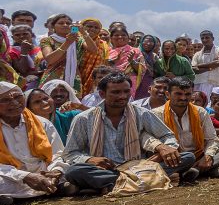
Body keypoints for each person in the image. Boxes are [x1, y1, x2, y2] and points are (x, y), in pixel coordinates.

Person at [62, 72, 194, 192]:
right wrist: (90, 159)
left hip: (140, 165)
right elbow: (70, 153)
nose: (122, 96)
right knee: (74, 172)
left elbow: (167, 135)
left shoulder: (141, 113)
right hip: (106, 170)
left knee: (188, 157)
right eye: (116, 92)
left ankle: (113, 184)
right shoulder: (84, 119)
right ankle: (145, 180)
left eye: (126, 91)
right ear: (102, 94)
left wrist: (164, 150)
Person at [154, 78, 219, 178]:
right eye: (178, 94)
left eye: (187, 94)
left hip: (200, 154)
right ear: (168, 94)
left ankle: (196, 169)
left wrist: (208, 156)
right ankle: (205, 170)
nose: (183, 98)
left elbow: (212, 139)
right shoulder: (157, 114)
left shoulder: (200, 112)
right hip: (175, 158)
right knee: (190, 158)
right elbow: (151, 140)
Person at [0, 82, 70, 204]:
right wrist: (25, 176)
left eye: (18, 97)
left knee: (73, 170)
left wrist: (55, 172)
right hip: (12, 177)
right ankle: (56, 190)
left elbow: (58, 153)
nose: (15, 103)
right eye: (5, 100)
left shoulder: (42, 123)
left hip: (43, 173)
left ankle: (18, 197)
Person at [39, 14, 99, 93]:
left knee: (73, 100)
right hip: (53, 77)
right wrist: (68, 43)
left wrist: (83, 32)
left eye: (68, 23)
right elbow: (50, 59)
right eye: (61, 23)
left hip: (74, 77)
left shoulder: (78, 39)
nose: (65, 25)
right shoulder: (47, 40)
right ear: (53, 26)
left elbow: (94, 50)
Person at [106, 22, 145, 98]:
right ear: (111, 38)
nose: (120, 37)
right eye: (116, 35)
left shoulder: (135, 51)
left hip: (129, 83)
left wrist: (132, 61)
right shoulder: (106, 51)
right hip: (110, 82)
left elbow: (142, 70)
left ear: (127, 38)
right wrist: (115, 60)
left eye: (123, 35)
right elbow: (102, 67)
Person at [76, 18, 110, 95]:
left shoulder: (103, 44)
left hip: (94, 76)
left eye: (96, 27)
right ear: (82, 27)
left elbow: (105, 62)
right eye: (89, 26)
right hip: (76, 72)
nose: (92, 29)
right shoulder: (76, 38)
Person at [191, 30, 219, 99]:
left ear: (213, 38)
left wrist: (199, 65)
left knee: (216, 103)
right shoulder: (197, 54)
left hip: (216, 84)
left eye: (207, 38)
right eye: (202, 38)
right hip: (199, 84)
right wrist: (209, 68)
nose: (204, 40)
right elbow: (193, 69)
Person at [135, 34, 160, 99]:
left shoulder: (154, 56)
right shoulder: (136, 53)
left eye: (151, 42)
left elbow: (157, 70)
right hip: (136, 80)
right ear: (142, 42)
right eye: (146, 41)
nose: (148, 43)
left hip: (149, 82)